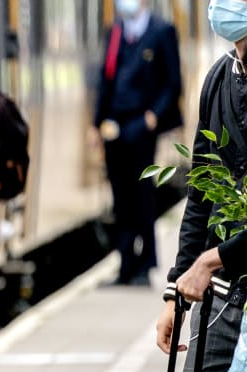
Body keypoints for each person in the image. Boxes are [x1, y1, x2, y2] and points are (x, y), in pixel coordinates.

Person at [154, 0, 247, 372]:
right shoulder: (219, 78)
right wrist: (176, 292)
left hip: (228, 276)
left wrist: (212, 259)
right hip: (225, 305)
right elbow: (201, 194)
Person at [90, 0, 182, 286]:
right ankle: (125, 263)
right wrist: (96, 124)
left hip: (143, 126)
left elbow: (173, 82)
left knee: (143, 194)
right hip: (114, 127)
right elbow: (106, 80)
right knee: (121, 197)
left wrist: (154, 116)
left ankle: (147, 262)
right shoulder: (115, 32)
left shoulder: (162, 31)